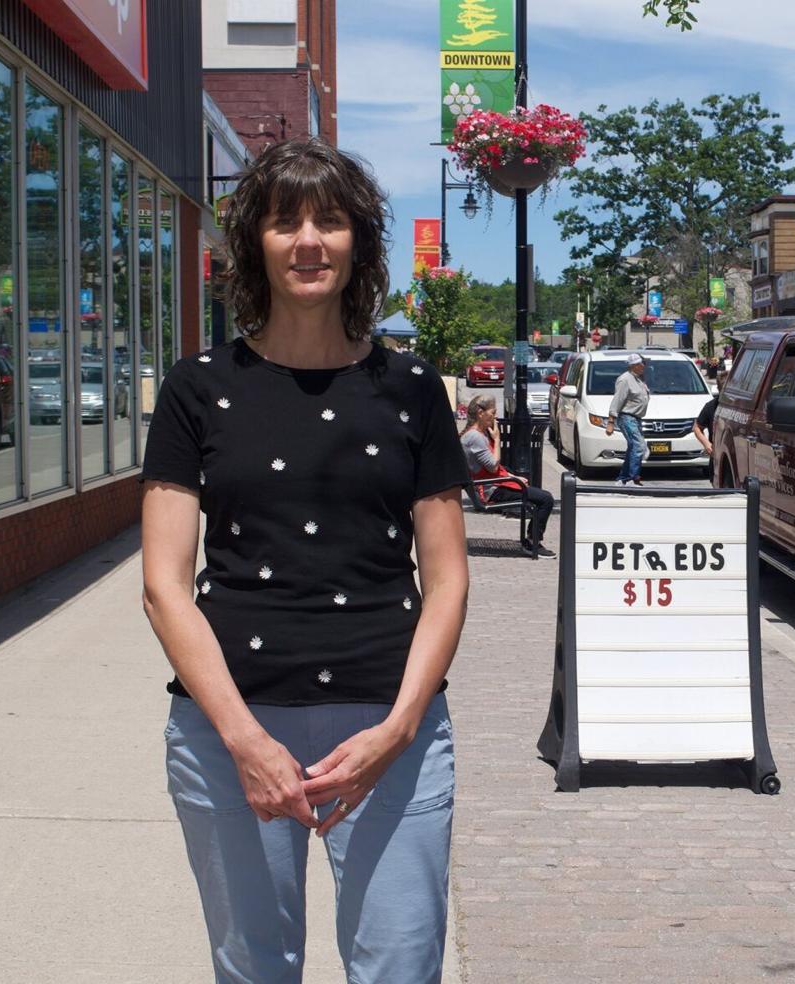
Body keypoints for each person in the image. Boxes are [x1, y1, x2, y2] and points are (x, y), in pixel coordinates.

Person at [139, 137, 469, 984]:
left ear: (360, 241)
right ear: (256, 242)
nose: (309, 241)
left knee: (400, 966)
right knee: (254, 970)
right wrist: (243, 739)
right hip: (229, 729)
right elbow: (164, 585)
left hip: (388, 725)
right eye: (286, 223)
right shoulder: (198, 389)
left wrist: (397, 730)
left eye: (329, 220)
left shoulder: (412, 388)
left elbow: (447, 578)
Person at [460, 394, 555, 558]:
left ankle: (531, 538)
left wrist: (513, 476)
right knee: (545, 499)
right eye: (493, 412)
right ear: (480, 413)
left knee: (538, 496)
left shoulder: (477, 435)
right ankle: (533, 542)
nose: (495, 416)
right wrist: (497, 439)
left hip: (493, 484)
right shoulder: (475, 437)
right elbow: (493, 465)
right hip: (490, 490)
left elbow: (494, 467)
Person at [605, 352, 650, 485]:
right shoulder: (625, 379)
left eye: (643, 363)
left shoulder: (639, 379)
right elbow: (617, 401)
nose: (643, 366)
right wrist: (611, 421)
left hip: (636, 418)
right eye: (640, 364)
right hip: (627, 417)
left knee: (633, 448)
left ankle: (623, 478)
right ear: (633, 366)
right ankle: (633, 478)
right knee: (638, 446)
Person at [692, 369, 729, 457]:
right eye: (723, 392)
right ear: (718, 389)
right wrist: (707, 445)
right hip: (716, 457)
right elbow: (697, 428)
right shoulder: (711, 406)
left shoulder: (740, 407)